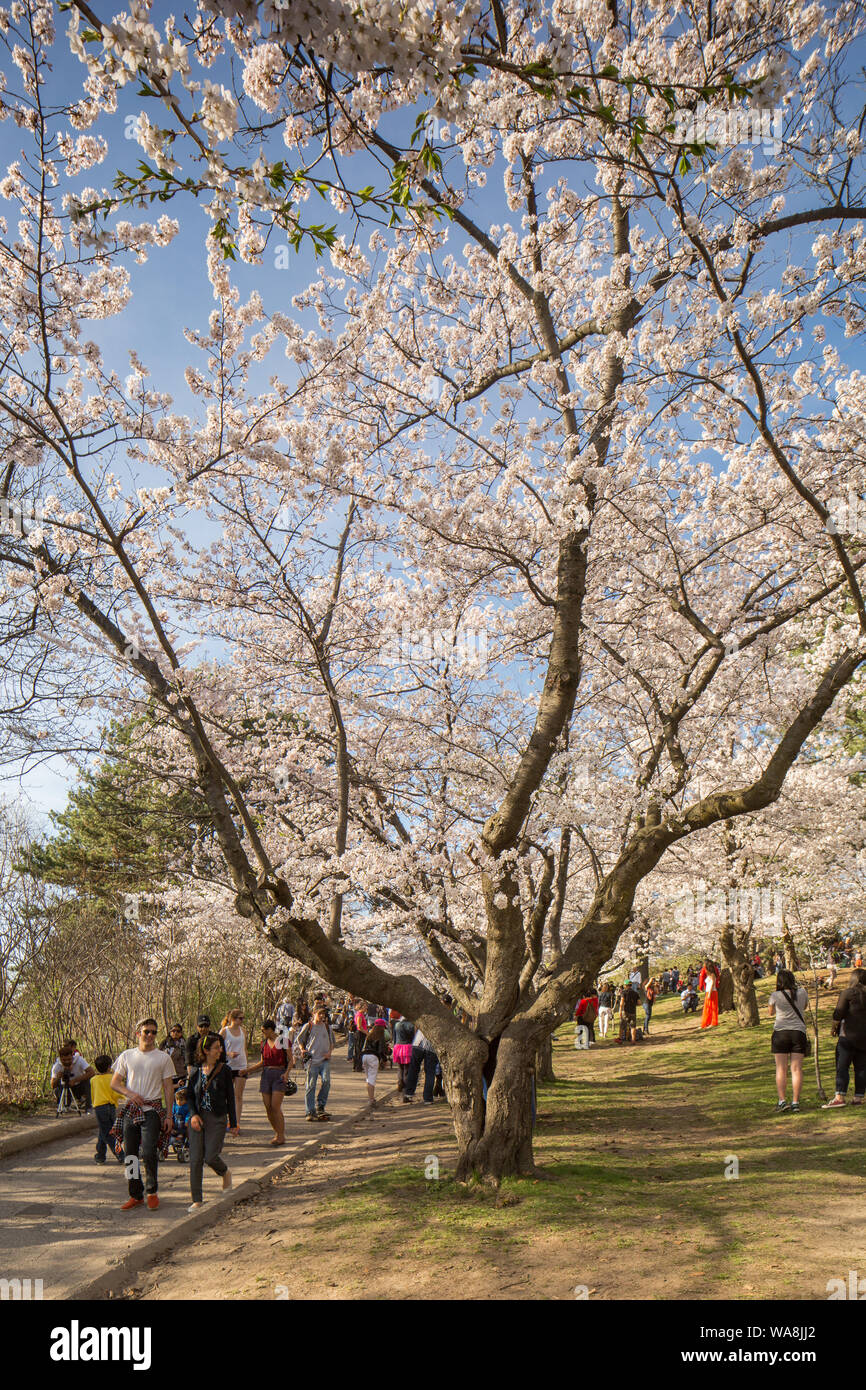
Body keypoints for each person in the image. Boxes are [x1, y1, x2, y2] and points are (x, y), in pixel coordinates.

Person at [111, 1018, 177, 1210]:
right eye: (146, 1031)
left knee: (148, 1152)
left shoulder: (163, 1058)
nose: (150, 1035)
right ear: (138, 1033)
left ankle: (152, 1192)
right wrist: (130, 1094)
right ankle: (135, 1194)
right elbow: (115, 1083)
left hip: (152, 1111)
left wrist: (169, 1116)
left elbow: (168, 1088)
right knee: (130, 1155)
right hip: (131, 1110)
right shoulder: (127, 1056)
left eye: (153, 1032)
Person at [186, 1032, 238, 1212]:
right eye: (216, 1048)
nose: (220, 1050)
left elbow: (231, 1098)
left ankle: (225, 1172)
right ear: (206, 1050)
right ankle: (197, 1200)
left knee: (210, 1156)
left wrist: (234, 1123)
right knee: (195, 1159)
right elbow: (189, 1096)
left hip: (217, 1118)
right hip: (197, 1118)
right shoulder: (195, 1071)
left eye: (220, 1047)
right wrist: (193, 1115)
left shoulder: (225, 1070)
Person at [823, 968, 866, 1108]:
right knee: (861, 1067)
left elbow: (838, 1013)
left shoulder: (847, 993)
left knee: (842, 1066)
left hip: (847, 1035)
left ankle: (840, 1097)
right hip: (864, 1037)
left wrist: (833, 1028)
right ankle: (858, 1098)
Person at [768, 968, 809, 1112]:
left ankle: (782, 1100)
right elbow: (804, 1007)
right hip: (798, 1032)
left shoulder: (775, 995)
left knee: (781, 1068)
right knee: (796, 1069)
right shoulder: (802, 992)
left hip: (781, 1033)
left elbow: (770, 1013)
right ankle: (795, 1102)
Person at [247, 1019, 293, 1145]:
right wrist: (248, 1070)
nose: (263, 1033)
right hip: (266, 1074)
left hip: (279, 1074)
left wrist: (286, 1073)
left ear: (270, 1029)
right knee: (268, 1107)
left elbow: (291, 1060)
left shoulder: (283, 1041)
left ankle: (281, 1135)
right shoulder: (263, 1043)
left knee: (275, 1106)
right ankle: (276, 1132)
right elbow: (262, 1062)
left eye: (263, 1030)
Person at [296, 1007, 336, 1121]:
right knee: (311, 1085)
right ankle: (310, 1111)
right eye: (320, 1014)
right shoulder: (308, 1026)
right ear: (314, 1014)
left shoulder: (328, 1027)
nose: (322, 1017)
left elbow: (332, 1043)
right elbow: (299, 1040)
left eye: (323, 1015)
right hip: (312, 1061)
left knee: (326, 1081)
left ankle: (321, 1106)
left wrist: (329, 1052)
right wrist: (303, 1050)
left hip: (324, 1060)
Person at [90, 1055, 123, 1165]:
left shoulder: (93, 1080)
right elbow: (118, 1092)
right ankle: (100, 1155)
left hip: (100, 1107)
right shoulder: (113, 1078)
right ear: (109, 1067)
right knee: (104, 1131)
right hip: (111, 1107)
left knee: (107, 1133)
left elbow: (93, 1094)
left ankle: (121, 1155)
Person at [220, 1008, 249, 1131]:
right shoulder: (224, 1031)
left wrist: (247, 1065)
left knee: (238, 1096)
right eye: (240, 1018)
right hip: (228, 1066)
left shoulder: (243, 1031)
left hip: (241, 1066)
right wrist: (228, 1054)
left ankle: (236, 1123)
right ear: (233, 1019)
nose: (242, 1021)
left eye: (243, 1018)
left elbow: (244, 1048)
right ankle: (226, 1120)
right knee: (227, 1095)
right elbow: (218, 1049)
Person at [50, 1042, 95, 1111]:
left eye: (69, 1059)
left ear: (72, 1056)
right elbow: (53, 1085)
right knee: (58, 1088)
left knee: (87, 1082)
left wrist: (75, 1080)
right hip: (65, 1087)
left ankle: (88, 1107)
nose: (67, 1062)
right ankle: (64, 1105)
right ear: (60, 1058)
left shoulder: (79, 1060)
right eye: (64, 1060)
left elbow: (91, 1072)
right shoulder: (57, 1066)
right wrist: (58, 1077)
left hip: (79, 1086)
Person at [403, 1028, 439, 1103]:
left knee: (413, 1069)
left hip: (418, 1043)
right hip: (432, 1048)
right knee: (430, 1072)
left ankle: (408, 1093)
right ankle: (428, 1098)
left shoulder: (424, 1017)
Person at [360, 1021, 388, 1106]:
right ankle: (371, 1099)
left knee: (368, 1078)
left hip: (364, 1056)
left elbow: (363, 1047)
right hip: (373, 1056)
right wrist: (385, 1059)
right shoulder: (381, 1036)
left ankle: (370, 1097)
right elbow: (381, 1050)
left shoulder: (369, 1035)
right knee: (371, 1079)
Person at [392, 1016, 415, 1091]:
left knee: (400, 1067)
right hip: (407, 1047)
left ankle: (400, 1083)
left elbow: (394, 1037)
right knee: (407, 1068)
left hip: (398, 1046)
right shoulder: (411, 1025)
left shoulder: (397, 1024)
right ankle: (406, 1086)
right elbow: (412, 1037)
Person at [698, 959, 720, 1029]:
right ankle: (706, 1022)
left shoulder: (713, 974)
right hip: (708, 992)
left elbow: (712, 984)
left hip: (712, 992)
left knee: (713, 1007)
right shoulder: (709, 974)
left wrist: (709, 993)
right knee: (707, 1007)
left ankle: (713, 1022)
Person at [171, 1083, 190, 1158]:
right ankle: (174, 1136)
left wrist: (187, 1121)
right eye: (177, 1099)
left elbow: (189, 1114)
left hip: (183, 1123)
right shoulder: (175, 1106)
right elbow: (172, 1113)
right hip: (176, 1122)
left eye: (181, 1100)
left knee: (182, 1125)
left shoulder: (187, 1106)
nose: (178, 1101)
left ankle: (180, 1136)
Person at [352, 1001, 369, 1072]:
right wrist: (367, 1033)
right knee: (359, 1050)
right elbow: (359, 1027)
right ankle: (358, 1066)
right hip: (360, 1034)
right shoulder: (359, 1015)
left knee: (359, 1049)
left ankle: (357, 1066)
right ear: (361, 1007)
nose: (366, 1008)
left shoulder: (361, 1014)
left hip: (362, 1033)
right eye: (365, 1007)